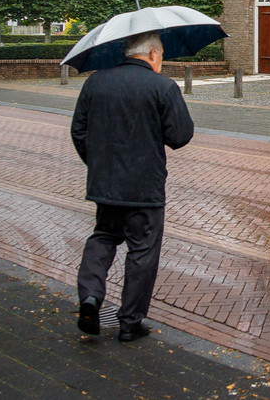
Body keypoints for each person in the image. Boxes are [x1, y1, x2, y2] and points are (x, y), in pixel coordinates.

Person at [71, 31, 194, 343]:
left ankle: (90, 298)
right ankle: (130, 322)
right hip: (145, 187)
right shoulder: (162, 86)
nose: (162, 61)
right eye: (162, 55)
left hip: (105, 184)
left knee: (102, 238)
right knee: (142, 251)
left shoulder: (95, 82)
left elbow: (79, 131)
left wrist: (99, 164)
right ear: (152, 54)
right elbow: (180, 136)